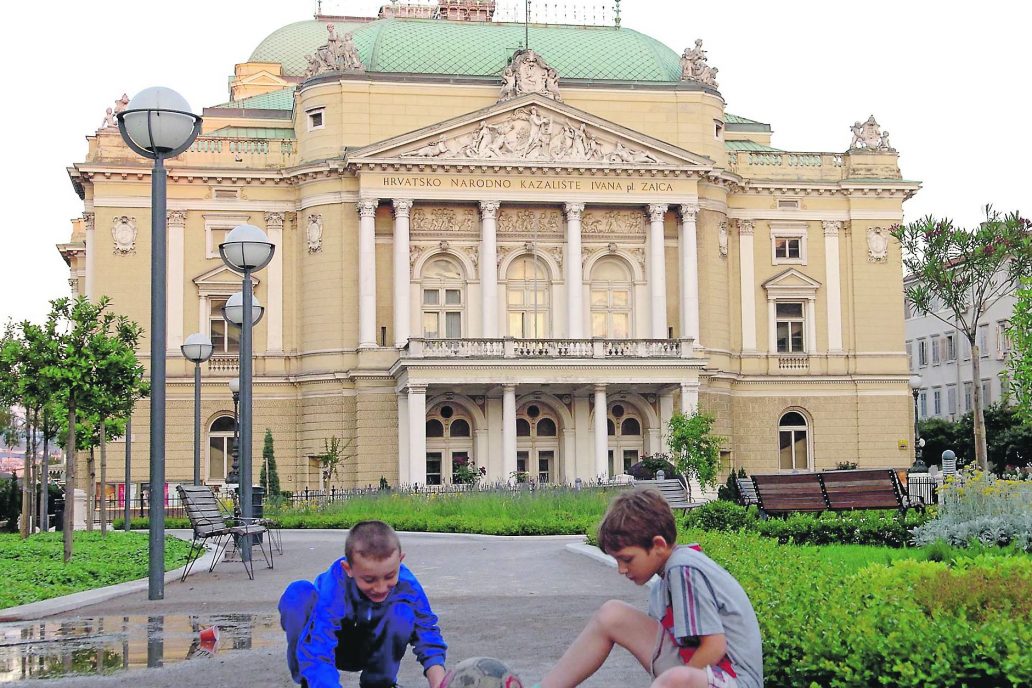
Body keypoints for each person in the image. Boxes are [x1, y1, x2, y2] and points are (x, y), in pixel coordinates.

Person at [533, 490, 763, 688]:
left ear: (658, 545)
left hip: (734, 680)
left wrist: (677, 681)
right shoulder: (661, 586)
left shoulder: (683, 568)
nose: (621, 570)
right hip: (699, 673)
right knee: (611, 615)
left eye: (627, 559)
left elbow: (714, 646)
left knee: (675, 679)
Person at [278, 520, 447, 688]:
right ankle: (310, 681)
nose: (380, 588)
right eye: (369, 579)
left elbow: (427, 633)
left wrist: (440, 683)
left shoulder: (406, 583)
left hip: (373, 648)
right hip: (331, 647)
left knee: (402, 614)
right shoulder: (334, 584)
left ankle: (379, 684)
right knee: (298, 593)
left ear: (400, 561)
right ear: (348, 568)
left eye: (389, 576)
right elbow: (319, 642)